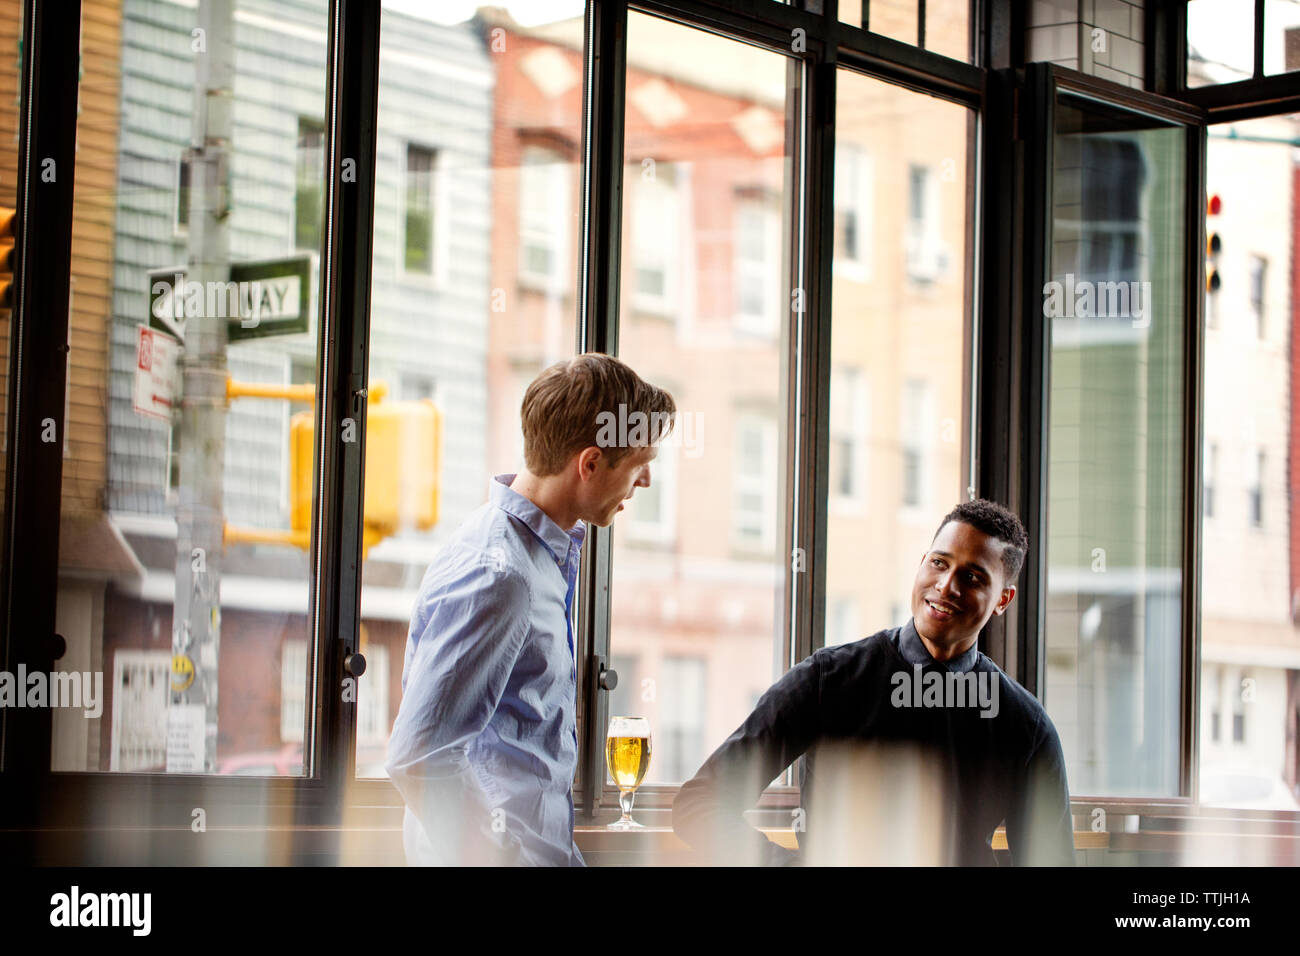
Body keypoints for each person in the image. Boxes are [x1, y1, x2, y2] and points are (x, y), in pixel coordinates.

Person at [672, 498, 1076, 866]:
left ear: (1002, 600)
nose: (946, 586)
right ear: (921, 563)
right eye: (939, 562)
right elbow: (699, 805)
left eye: (972, 577)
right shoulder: (827, 681)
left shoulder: (1027, 728)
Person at [386, 353, 675, 865]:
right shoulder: (501, 576)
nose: (645, 482)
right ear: (589, 464)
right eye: (638, 464)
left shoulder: (537, 557)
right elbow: (422, 757)